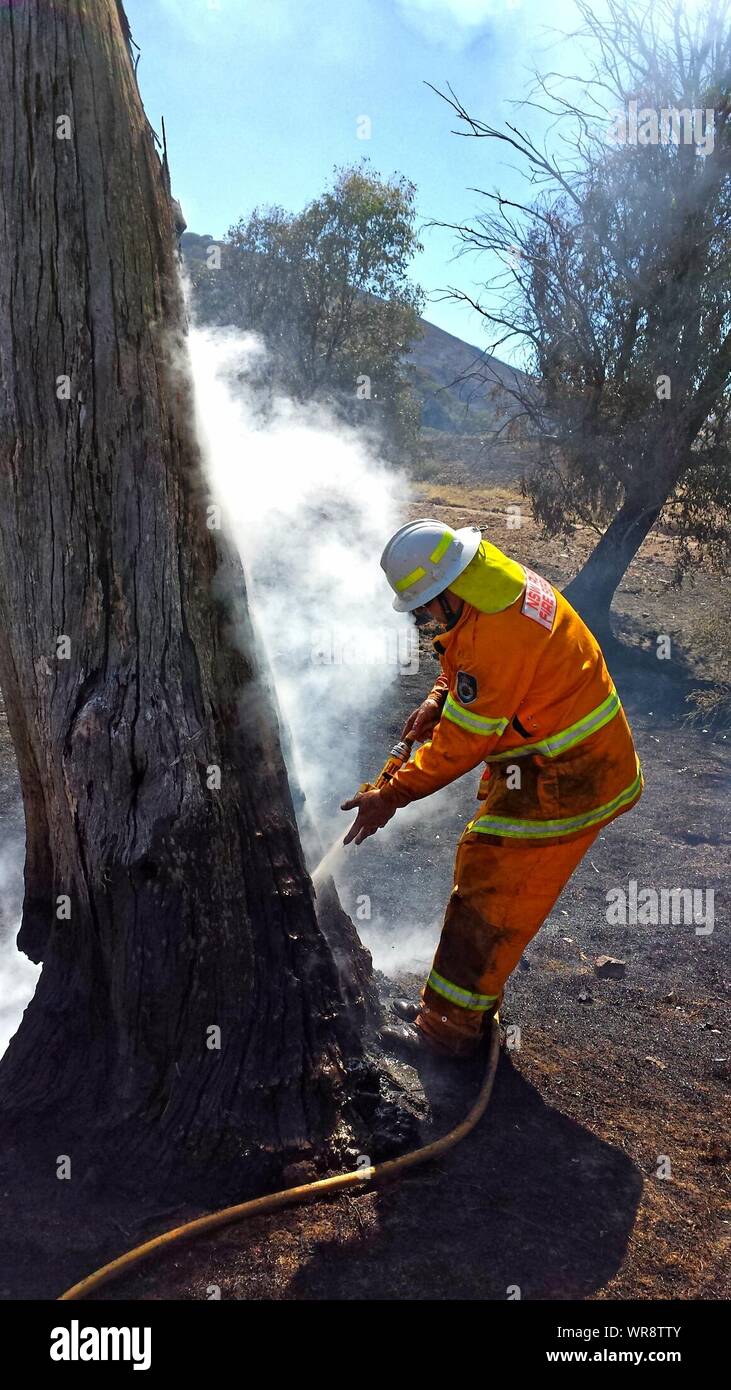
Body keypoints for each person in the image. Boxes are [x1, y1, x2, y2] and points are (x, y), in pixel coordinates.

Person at [341, 519, 643, 1060]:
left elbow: (463, 744)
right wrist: (438, 698)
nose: (425, 617)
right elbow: (464, 657)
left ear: (448, 588)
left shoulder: (498, 631)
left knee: (489, 893)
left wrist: (392, 794)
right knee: (484, 871)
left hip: (568, 779)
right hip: (558, 759)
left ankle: (449, 1031)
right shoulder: (492, 582)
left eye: (426, 605)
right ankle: (463, 1009)